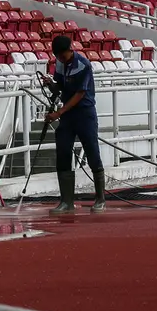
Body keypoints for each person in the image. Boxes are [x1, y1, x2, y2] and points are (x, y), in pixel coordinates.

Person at [39, 35, 105, 214]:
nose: (60, 59)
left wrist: (59, 113)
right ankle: (66, 201)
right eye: (57, 56)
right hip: (68, 115)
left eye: (62, 55)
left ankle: (100, 198)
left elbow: (79, 94)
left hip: (84, 114)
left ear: (70, 50)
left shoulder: (83, 65)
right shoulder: (60, 64)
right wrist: (51, 85)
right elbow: (60, 87)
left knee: (92, 151)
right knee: (63, 150)